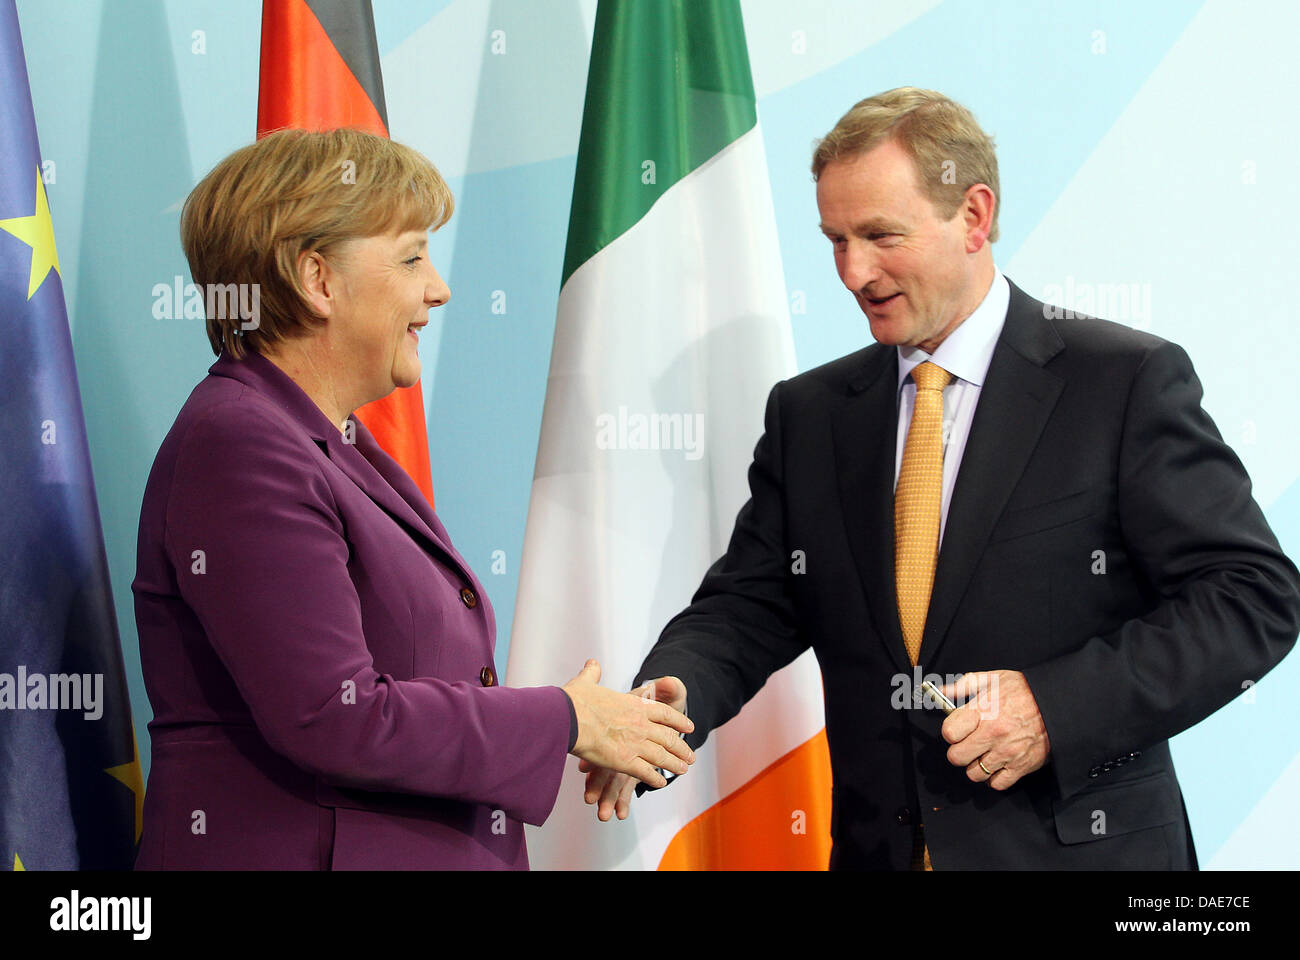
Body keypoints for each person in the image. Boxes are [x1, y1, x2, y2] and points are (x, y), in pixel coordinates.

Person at [580, 87, 1300, 869]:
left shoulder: (1120, 382)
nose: (854, 272)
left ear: (975, 216)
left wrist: (1053, 709)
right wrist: (672, 697)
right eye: (835, 240)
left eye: (881, 235)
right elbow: (752, 604)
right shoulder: (812, 413)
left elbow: (1252, 596)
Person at [132, 128, 694, 870]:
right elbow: (335, 717)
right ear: (317, 280)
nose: (439, 287)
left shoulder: (326, 442)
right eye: (410, 256)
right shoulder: (241, 445)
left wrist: (599, 722)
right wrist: (562, 719)